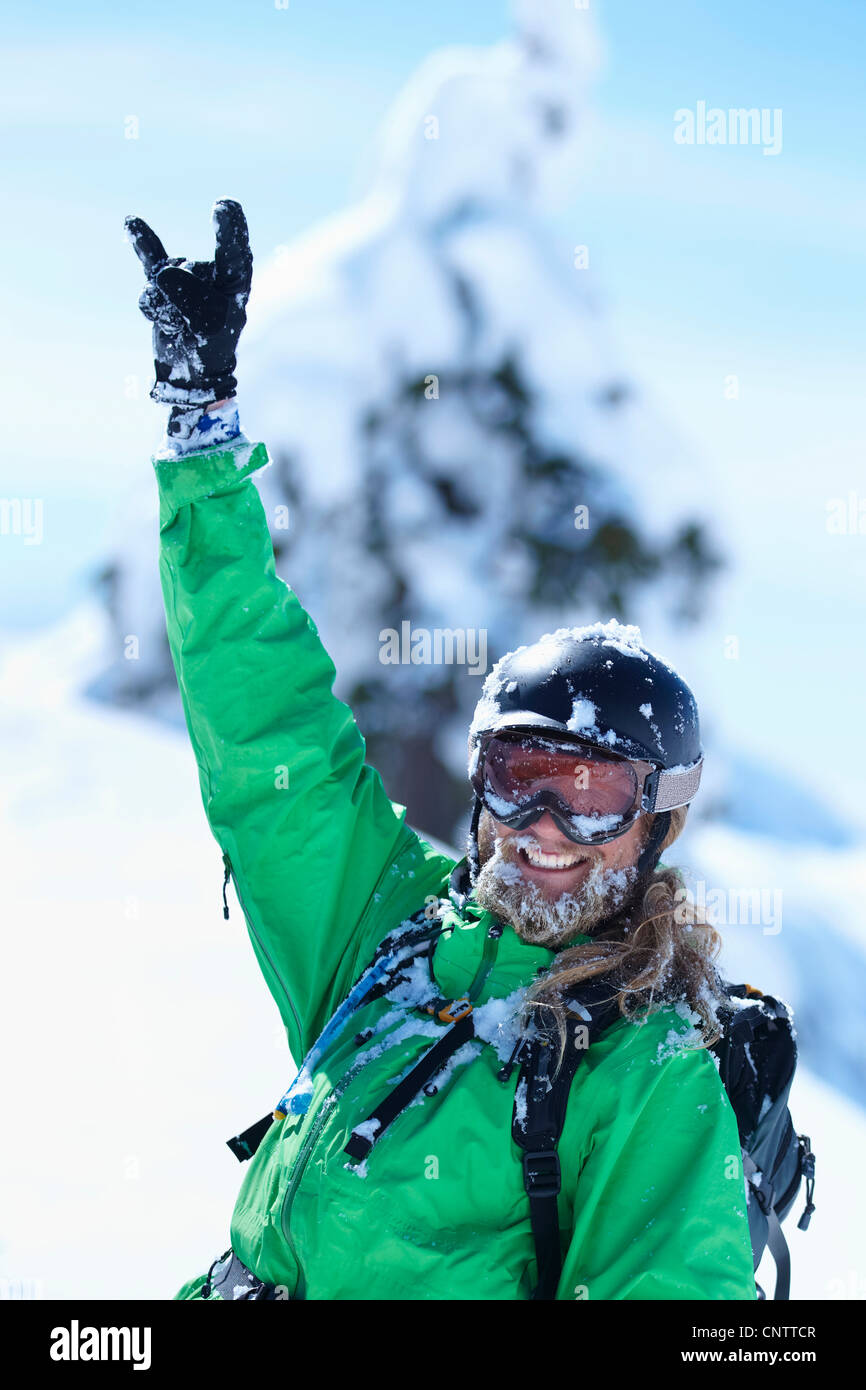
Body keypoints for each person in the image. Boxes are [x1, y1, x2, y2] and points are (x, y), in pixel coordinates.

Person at [126, 200, 757, 1301]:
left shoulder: (643, 1073)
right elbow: (270, 737)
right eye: (520, 780)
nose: (543, 831)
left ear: (653, 828)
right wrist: (203, 437)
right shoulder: (391, 936)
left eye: (591, 795)